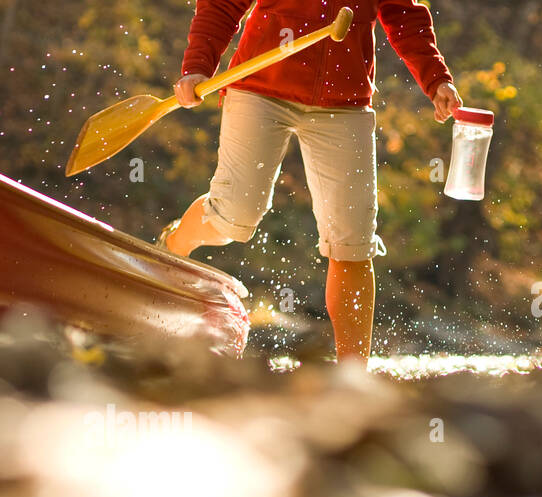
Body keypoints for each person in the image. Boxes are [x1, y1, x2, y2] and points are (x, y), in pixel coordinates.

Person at [159, 0, 462, 364]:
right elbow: (223, 5)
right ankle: (172, 246)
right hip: (261, 85)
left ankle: (353, 375)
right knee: (234, 216)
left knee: (352, 243)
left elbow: (405, 15)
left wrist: (437, 78)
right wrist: (197, 66)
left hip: (344, 102)